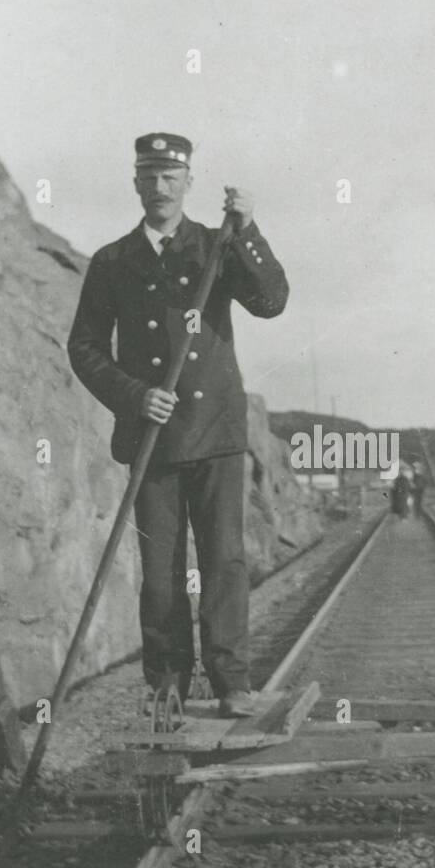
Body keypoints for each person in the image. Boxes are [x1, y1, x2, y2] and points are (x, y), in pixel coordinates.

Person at [67, 132, 289, 717]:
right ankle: (166, 683)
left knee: (223, 561)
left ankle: (232, 683)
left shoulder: (217, 246)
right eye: (150, 176)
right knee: (161, 569)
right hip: (154, 436)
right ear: (136, 182)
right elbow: (85, 347)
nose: (160, 187)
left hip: (214, 430)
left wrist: (248, 230)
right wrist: (135, 396)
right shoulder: (113, 261)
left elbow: (271, 301)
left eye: (171, 177)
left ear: (189, 183)